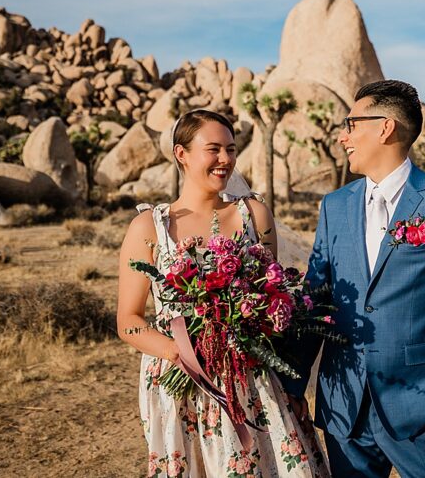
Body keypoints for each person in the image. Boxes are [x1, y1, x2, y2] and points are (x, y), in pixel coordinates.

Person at [284, 80, 425, 477]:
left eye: (351, 124)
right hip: (345, 408)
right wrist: (294, 385)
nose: (344, 136)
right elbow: (316, 300)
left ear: (385, 127)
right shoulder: (334, 206)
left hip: (422, 408)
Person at [116, 109, 330, 478]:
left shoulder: (254, 216)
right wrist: (183, 352)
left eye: (231, 150)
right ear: (181, 153)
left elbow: (271, 295)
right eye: (213, 149)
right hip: (181, 386)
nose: (225, 160)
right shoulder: (148, 227)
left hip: (251, 378)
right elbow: (128, 321)